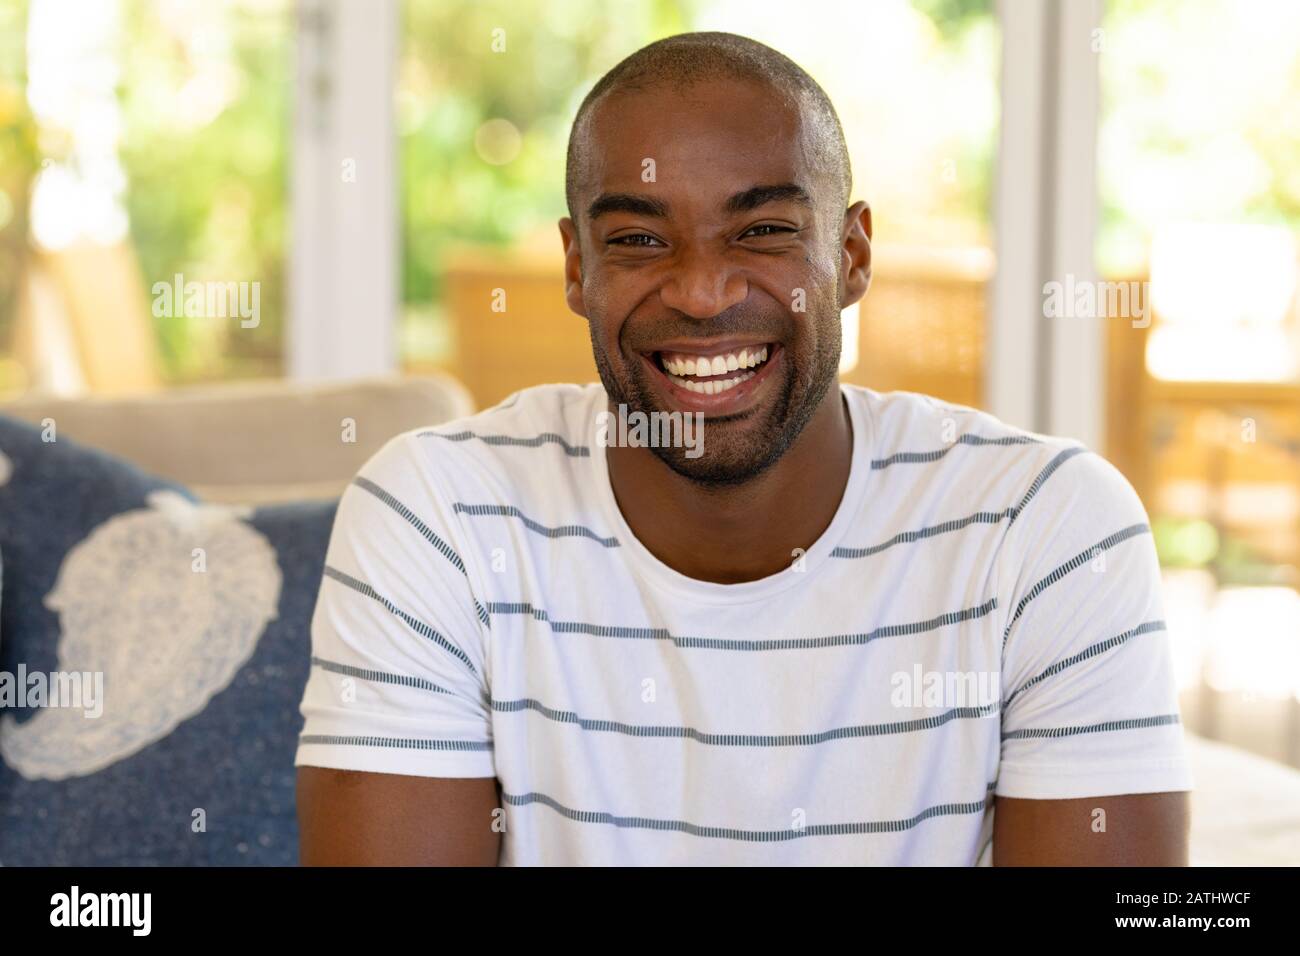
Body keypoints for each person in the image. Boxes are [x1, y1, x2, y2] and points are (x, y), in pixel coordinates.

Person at [295, 31, 1191, 865]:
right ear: (578, 269)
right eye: (639, 239)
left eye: (762, 231)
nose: (702, 291)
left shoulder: (1046, 526)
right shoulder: (438, 516)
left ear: (851, 254)